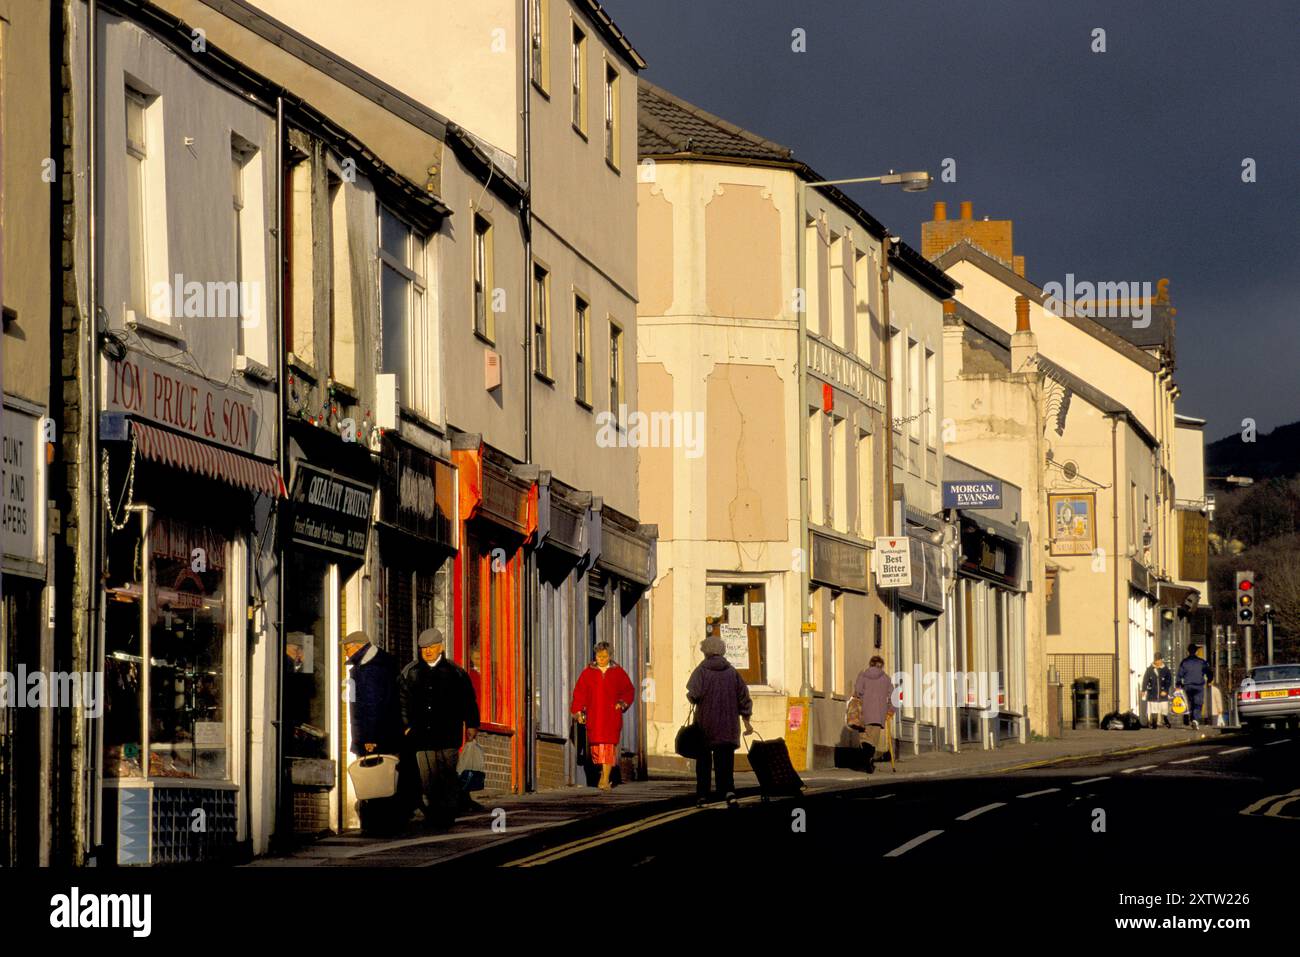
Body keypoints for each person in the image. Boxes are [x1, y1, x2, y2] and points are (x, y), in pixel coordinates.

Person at [399, 629, 480, 829]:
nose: (427, 651)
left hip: (448, 735)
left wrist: (471, 724)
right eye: (423, 648)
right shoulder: (411, 672)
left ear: (441, 647)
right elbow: (401, 701)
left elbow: (468, 700)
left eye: (431, 647)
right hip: (421, 736)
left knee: (448, 776)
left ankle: (447, 815)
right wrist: (406, 726)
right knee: (428, 779)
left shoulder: (455, 672)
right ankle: (434, 815)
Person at [686, 635, 754, 808]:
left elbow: (693, 694)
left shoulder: (701, 670)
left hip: (705, 725)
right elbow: (744, 698)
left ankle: (702, 794)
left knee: (704, 762)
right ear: (722, 651)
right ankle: (729, 791)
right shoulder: (732, 672)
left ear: (706, 652)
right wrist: (746, 719)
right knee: (725, 760)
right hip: (728, 725)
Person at [570, 641, 636, 790]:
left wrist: (622, 703)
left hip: (611, 716)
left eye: (604, 656)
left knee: (608, 747)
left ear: (610, 656)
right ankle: (602, 774)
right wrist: (578, 711)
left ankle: (605, 779)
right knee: (597, 749)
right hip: (595, 716)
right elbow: (579, 693)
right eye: (599, 656)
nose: (601, 659)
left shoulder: (618, 672)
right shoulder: (588, 673)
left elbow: (629, 690)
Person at [340, 630, 402, 756]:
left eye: (347, 650)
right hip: (387, 735)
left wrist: (370, 738)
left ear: (358, 646)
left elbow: (372, 705)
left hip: (374, 740)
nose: (346, 655)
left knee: (372, 773)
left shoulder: (369, 669)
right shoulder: (382, 660)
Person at [853, 656, 896, 772]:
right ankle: (869, 760)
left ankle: (867, 760)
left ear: (870, 664)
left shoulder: (862, 675)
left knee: (864, 739)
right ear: (881, 666)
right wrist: (890, 710)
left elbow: (857, 691)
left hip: (863, 714)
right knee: (872, 740)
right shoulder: (886, 679)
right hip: (878, 714)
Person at [1175, 642, 1213, 730]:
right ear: (1196, 652)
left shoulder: (1184, 662)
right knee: (1198, 703)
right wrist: (1209, 680)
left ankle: (1191, 718)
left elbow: (1179, 674)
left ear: (1188, 652)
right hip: (1198, 685)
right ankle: (1195, 719)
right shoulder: (1201, 662)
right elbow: (1209, 672)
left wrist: (1178, 684)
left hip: (1188, 685)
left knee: (1190, 702)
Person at [1141, 654, 1173, 729]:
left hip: (1163, 693)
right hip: (1153, 692)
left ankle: (1165, 719)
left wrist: (1165, 690)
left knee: (1164, 708)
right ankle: (1154, 722)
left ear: (1161, 660)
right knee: (1153, 707)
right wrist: (1143, 690)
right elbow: (1145, 680)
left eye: (1159, 660)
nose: (1157, 662)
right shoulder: (1150, 669)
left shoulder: (1166, 669)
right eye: (1156, 660)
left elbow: (1168, 681)